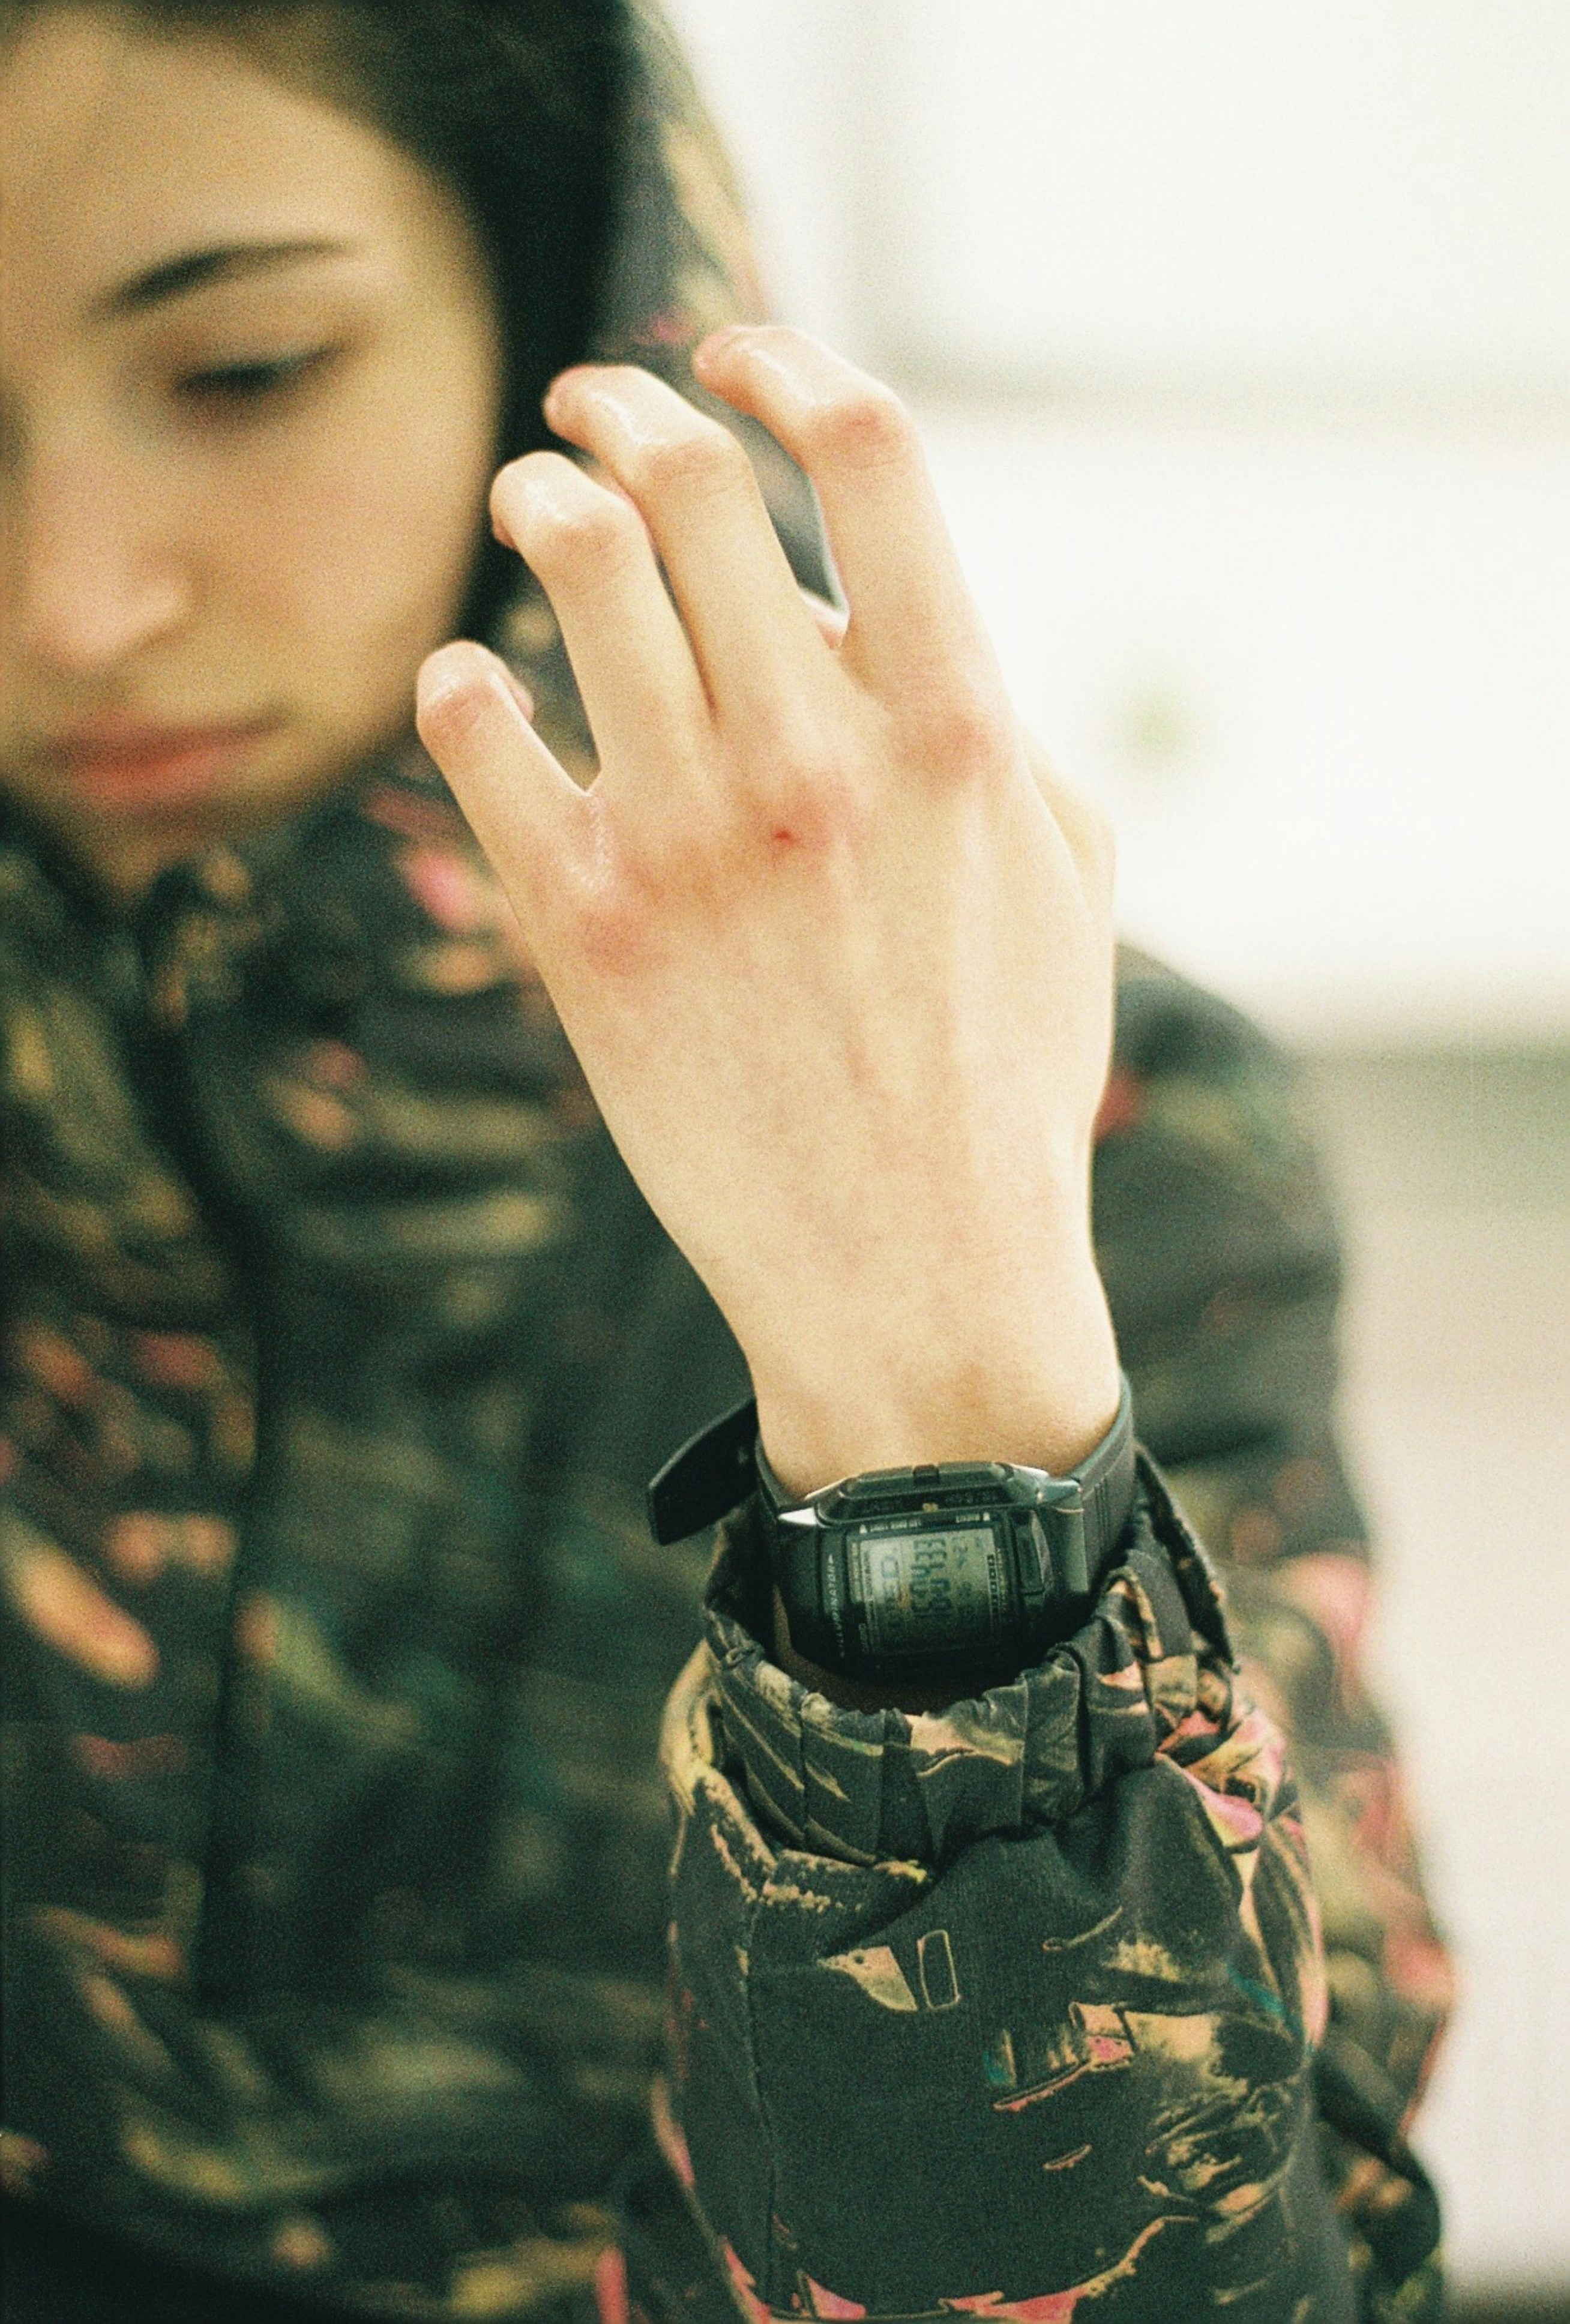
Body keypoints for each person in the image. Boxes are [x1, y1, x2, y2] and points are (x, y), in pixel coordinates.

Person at [0, 2, 1453, 2319]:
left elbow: (1243, 2263)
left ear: (570, 321)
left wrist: (947, 1442)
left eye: (248, 370)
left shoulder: (1098, 1119)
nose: (73, 603)